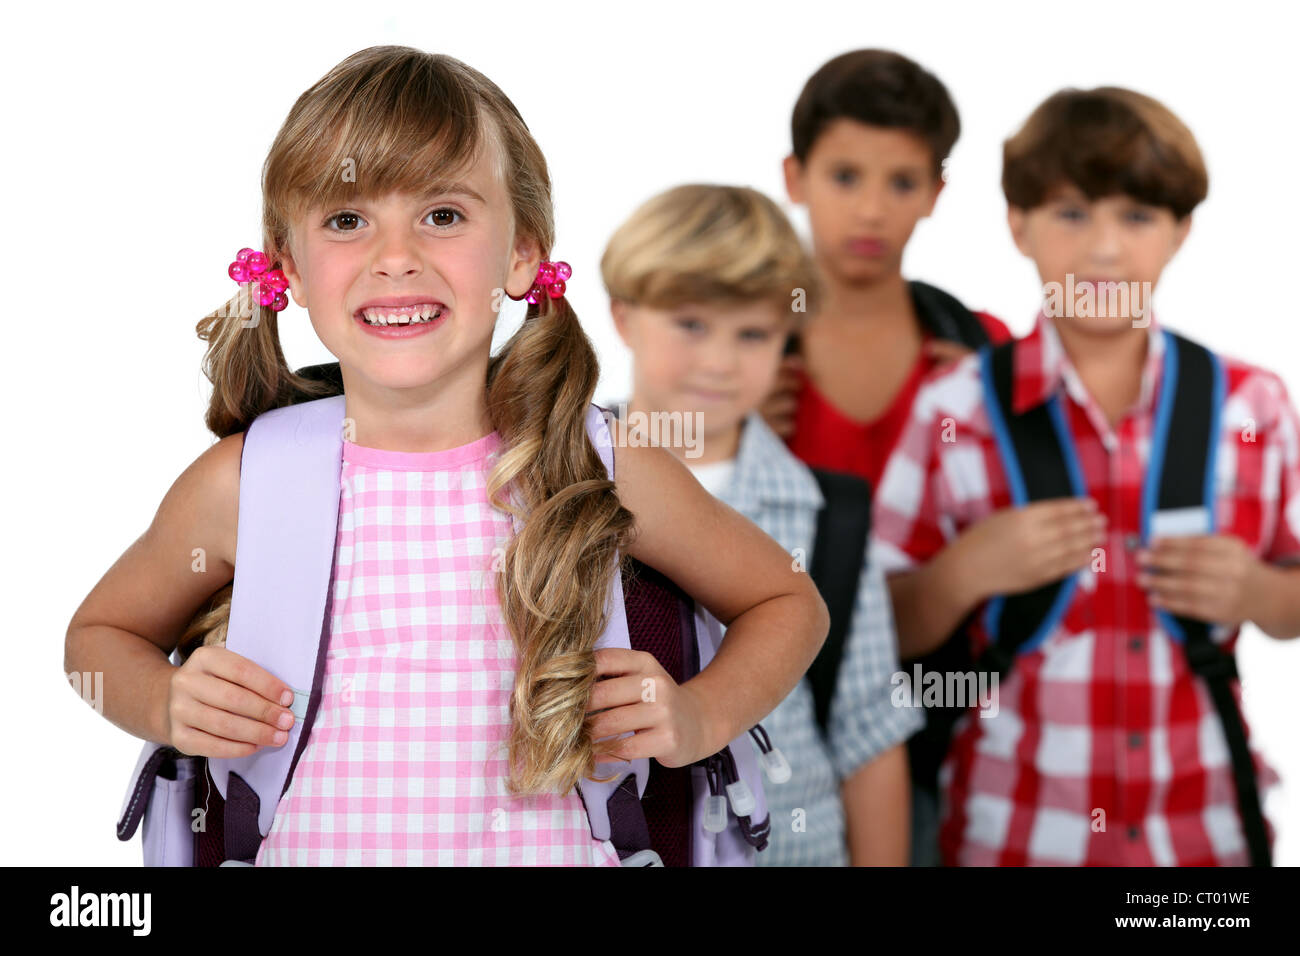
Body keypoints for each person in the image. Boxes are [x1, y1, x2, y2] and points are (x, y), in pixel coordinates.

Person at [63, 46, 828, 867]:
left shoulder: (599, 464)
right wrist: (165, 700)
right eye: (347, 220)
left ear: (523, 253)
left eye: (443, 215)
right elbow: (97, 639)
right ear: (287, 265)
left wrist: (702, 716)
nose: (396, 258)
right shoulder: (250, 483)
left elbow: (787, 603)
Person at [872, 85, 1300, 865]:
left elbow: (1292, 595)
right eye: (1072, 213)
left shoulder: (1254, 403)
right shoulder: (956, 406)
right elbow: (876, 627)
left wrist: (1262, 595)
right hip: (1013, 831)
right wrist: (963, 574)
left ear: (1181, 232)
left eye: (1137, 216)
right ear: (1017, 224)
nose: (1103, 249)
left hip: (1206, 838)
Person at [601, 183, 921, 865]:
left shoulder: (830, 517)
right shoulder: (560, 476)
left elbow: (869, 729)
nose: (719, 361)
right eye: (690, 324)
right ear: (624, 317)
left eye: (752, 334)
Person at [760, 46, 1014, 866]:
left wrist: (999, 421)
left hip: (954, 707)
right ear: (794, 177)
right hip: (777, 705)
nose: (871, 209)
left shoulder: (985, 355)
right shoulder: (735, 356)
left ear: (936, 193)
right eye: (844, 177)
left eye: (901, 182)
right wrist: (726, 425)